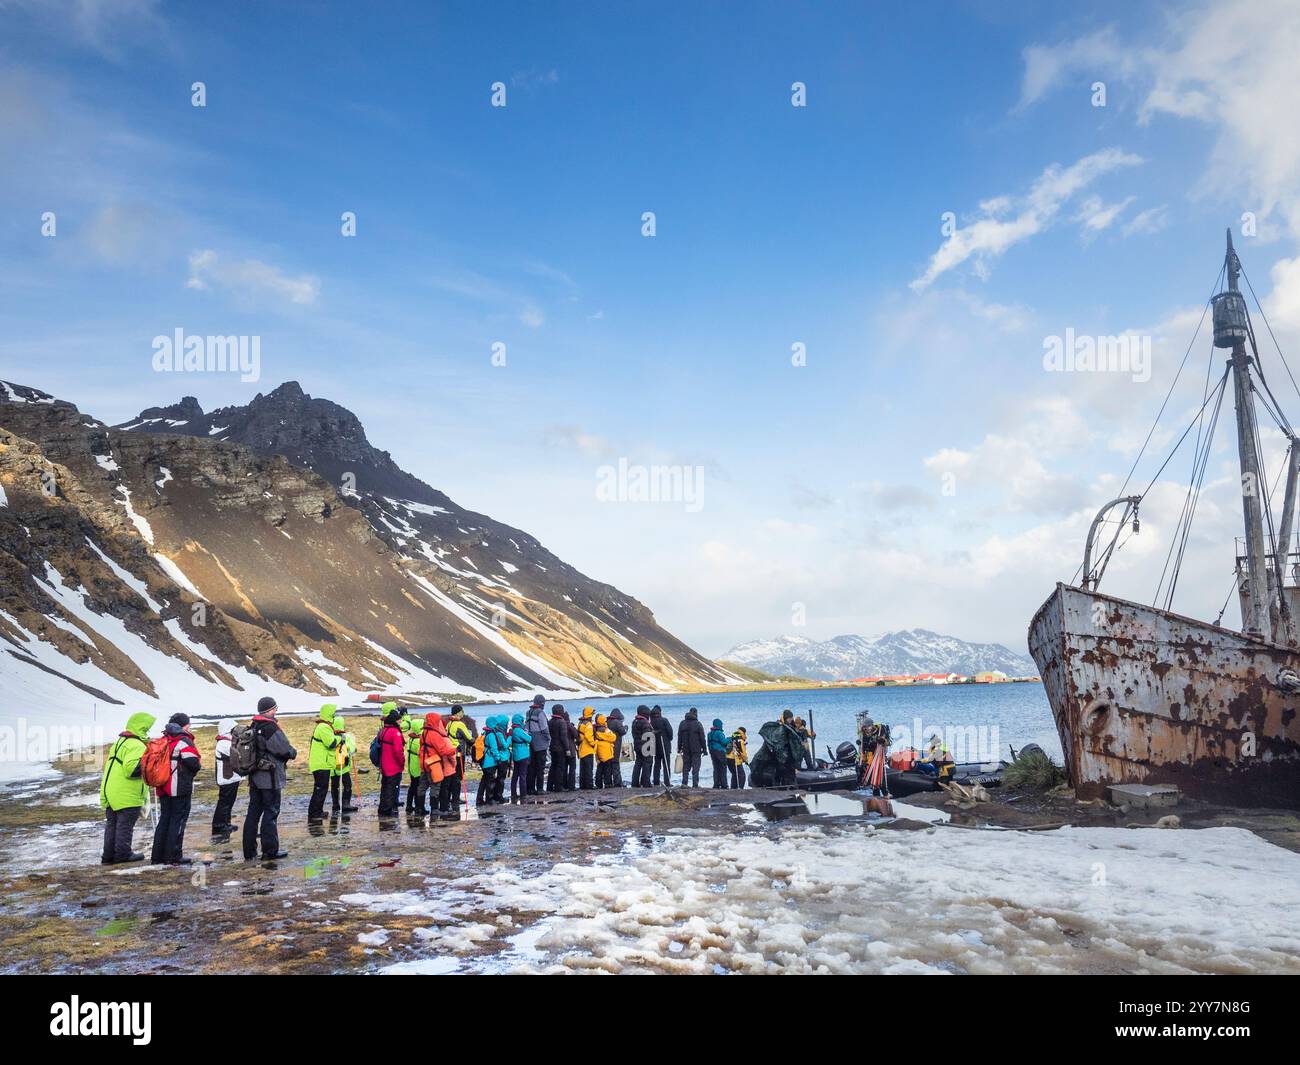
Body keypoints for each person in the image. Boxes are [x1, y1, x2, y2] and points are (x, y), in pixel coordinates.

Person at [244, 696, 297, 860]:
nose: (276, 711)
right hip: (270, 778)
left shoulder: (254, 725)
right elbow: (283, 749)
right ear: (271, 710)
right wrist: (292, 753)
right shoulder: (269, 727)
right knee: (271, 813)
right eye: (275, 708)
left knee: (253, 814)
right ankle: (270, 850)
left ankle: (249, 851)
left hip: (255, 778)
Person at [100, 711, 155, 864]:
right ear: (141, 729)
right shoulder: (136, 745)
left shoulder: (120, 742)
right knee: (125, 825)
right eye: (146, 729)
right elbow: (131, 770)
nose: (148, 732)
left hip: (111, 791)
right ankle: (123, 854)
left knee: (112, 824)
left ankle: (108, 856)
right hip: (126, 793)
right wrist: (149, 764)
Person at [151, 712, 201, 865]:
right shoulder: (183, 740)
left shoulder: (164, 738)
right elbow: (193, 762)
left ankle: (158, 855)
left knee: (165, 820)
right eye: (188, 724)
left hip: (163, 786)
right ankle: (173, 855)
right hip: (179, 787)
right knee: (177, 820)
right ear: (184, 725)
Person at [747, 710, 805, 788]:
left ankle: (786, 785)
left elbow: (794, 737)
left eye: (791, 718)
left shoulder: (789, 728)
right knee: (777, 770)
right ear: (785, 718)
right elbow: (778, 744)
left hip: (784, 756)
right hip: (776, 755)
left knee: (785, 771)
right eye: (789, 718)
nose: (791, 719)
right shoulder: (780, 728)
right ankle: (775, 784)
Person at [420, 711, 457, 814]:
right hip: (433, 763)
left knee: (422, 787)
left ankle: (419, 808)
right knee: (435, 786)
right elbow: (443, 750)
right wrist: (454, 750)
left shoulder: (424, 733)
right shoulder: (435, 734)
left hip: (424, 763)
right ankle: (434, 809)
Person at [308, 703, 340, 821]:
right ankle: (315, 814)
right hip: (321, 763)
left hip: (320, 763)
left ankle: (317, 812)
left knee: (320, 789)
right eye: (333, 713)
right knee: (320, 789)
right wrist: (340, 738)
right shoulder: (324, 727)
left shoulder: (322, 727)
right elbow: (331, 743)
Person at [212, 716, 242, 835]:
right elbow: (237, 755)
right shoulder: (224, 743)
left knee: (228, 802)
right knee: (224, 802)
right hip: (226, 778)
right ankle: (219, 825)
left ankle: (226, 823)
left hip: (230, 777)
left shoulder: (227, 741)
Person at [377, 707, 407, 817]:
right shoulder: (395, 732)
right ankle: (387, 810)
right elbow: (398, 751)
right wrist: (402, 762)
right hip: (393, 765)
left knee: (385, 787)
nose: (401, 721)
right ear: (395, 721)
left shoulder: (384, 730)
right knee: (391, 787)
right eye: (399, 720)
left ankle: (382, 808)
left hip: (385, 764)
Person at [443, 706, 473, 814]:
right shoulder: (460, 724)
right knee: (458, 776)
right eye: (462, 711)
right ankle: (455, 799)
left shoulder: (449, 723)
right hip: (459, 753)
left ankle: (451, 797)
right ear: (457, 713)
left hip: (450, 753)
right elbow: (469, 739)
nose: (463, 713)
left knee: (451, 775)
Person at [330, 713, 358, 813]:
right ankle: (346, 804)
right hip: (344, 766)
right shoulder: (346, 737)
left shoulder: (330, 735)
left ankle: (335, 805)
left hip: (332, 767)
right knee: (347, 785)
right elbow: (352, 749)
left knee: (334, 786)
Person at [476, 715, 504, 806]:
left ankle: (479, 799)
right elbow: (494, 748)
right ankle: (490, 799)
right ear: (493, 725)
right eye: (496, 724)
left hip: (484, 761)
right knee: (490, 781)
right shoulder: (491, 735)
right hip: (490, 761)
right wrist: (498, 758)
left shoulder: (484, 733)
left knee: (484, 780)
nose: (497, 726)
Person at [525, 695, 550, 795]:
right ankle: (540, 789)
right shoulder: (540, 713)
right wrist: (549, 738)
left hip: (531, 741)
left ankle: (530, 789)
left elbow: (527, 727)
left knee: (531, 767)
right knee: (540, 767)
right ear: (542, 703)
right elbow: (544, 727)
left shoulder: (528, 712)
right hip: (540, 743)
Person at [677, 707, 706, 787]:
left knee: (686, 766)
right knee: (696, 766)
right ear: (696, 714)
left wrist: (679, 748)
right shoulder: (698, 723)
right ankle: (695, 784)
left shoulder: (682, 723)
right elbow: (702, 738)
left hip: (685, 748)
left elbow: (679, 737)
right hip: (696, 749)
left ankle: (684, 783)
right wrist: (705, 749)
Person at [547, 704, 571, 792]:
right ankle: (558, 786)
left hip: (552, 746)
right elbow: (564, 737)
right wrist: (567, 749)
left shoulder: (550, 721)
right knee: (560, 767)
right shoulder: (562, 722)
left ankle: (549, 786)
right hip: (560, 748)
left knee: (553, 766)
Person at [406, 711, 425, 815]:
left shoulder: (411, 739)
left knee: (412, 786)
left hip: (411, 767)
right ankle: (419, 807)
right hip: (418, 767)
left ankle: (409, 805)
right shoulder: (419, 741)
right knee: (419, 787)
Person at [509, 712, 532, 802]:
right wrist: (527, 733)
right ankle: (523, 794)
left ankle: (513, 794)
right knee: (523, 775)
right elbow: (529, 739)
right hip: (523, 755)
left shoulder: (513, 730)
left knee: (515, 775)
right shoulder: (519, 730)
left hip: (516, 755)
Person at [630, 705, 653, 787]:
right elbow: (648, 736)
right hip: (646, 746)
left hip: (637, 745)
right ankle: (646, 783)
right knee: (647, 764)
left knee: (638, 764)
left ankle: (634, 783)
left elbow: (634, 734)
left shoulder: (635, 721)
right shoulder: (645, 722)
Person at [650, 706, 673, 786]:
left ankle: (656, 781)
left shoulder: (650, 722)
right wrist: (670, 739)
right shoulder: (664, 720)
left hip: (655, 746)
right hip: (664, 745)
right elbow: (670, 732)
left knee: (657, 764)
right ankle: (667, 782)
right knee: (666, 764)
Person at [577, 706, 597, 790]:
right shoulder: (588, 724)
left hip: (581, 749)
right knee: (589, 769)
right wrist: (593, 744)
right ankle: (589, 785)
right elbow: (589, 736)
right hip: (587, 749)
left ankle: (582, 785)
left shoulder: (581, 723)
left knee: (583, 769)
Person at [707, 718, 731, 789]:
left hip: (712, 752)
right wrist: (730, 739)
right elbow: (724, 742)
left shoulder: (709, 734)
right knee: (723, 768)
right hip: (720, 752)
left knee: (716, 768)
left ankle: (716, 784)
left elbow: (708, 743)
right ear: (719, 725)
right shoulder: (719, 733)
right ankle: (724, 785)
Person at [594, 714, 617, 788]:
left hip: (599, 750)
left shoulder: (595, 729)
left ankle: (598, 784)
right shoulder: (605, 730)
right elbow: (613, 738)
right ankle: (608, 783)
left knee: (600, 768)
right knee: (608, 768)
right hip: (606, 751)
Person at [607, 708, 626, 787]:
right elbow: (623, 732)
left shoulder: (607, 722)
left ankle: (608, 782)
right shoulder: (617, 722)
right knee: (616, 764)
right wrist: (626, 728)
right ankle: (617, 782)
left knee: (608, 765)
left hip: (607, 747)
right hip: (616, 746)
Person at [564, 709, 580, 790]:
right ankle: (571, 786)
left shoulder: (561, 724)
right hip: (571, 749)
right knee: (572, 768)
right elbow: (576, 735)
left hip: (563, 749)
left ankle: (564, 785)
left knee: (564, 768)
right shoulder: (569, 725)